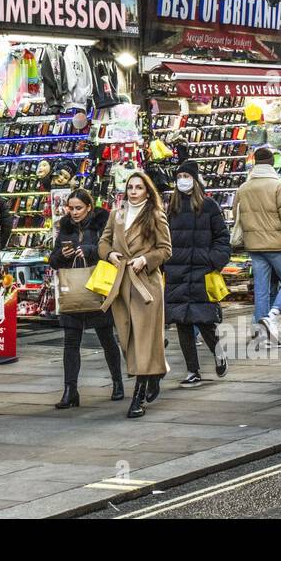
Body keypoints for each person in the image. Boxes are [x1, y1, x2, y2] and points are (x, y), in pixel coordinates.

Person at [99, 171, 173, 419]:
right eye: (130, 187)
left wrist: (145, 259)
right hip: (121, 286)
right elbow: (103, 243)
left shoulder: (154, 215)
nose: (133, 191)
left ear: (147, 191)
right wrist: (109, 254)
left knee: (143, 340)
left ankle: (138, 396)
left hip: (146, 287)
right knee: (127, 340)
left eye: (138, 187)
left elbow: (165, 250)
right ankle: (154, 373)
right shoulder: (116, 214)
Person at [47, 188, 123, 407]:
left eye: (78, 208)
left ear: (89, 207)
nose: (74, 212)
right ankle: (70, 390)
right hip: (73, 291)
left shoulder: (103, 223)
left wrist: (89, 250)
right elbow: (53, 259)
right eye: (70, 208)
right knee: (71, 342)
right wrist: (62, 255)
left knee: (107, 338)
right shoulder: (65, 226)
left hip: (96, 288)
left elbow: (111, 250)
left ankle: (117, 382)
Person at [163, 162, 230, 388]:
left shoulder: (208, 206)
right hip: (177, 272)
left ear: (194, 178)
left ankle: (218, 351)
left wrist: (214, 260)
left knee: (204, 321)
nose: (183, 179)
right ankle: (193, 370)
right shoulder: (170, 208)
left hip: (201, 271)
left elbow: (222, 237)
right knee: (182, 323)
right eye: (179, 176)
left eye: (186, 175)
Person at [234, 145, 281, 344]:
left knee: (261, 289)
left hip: (254, 246)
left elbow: (236, 215)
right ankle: (271, 316)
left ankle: (260, 331)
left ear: (254, 163)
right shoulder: (278, 186)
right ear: (272, 163)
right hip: (278, 245)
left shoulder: (243, 188)